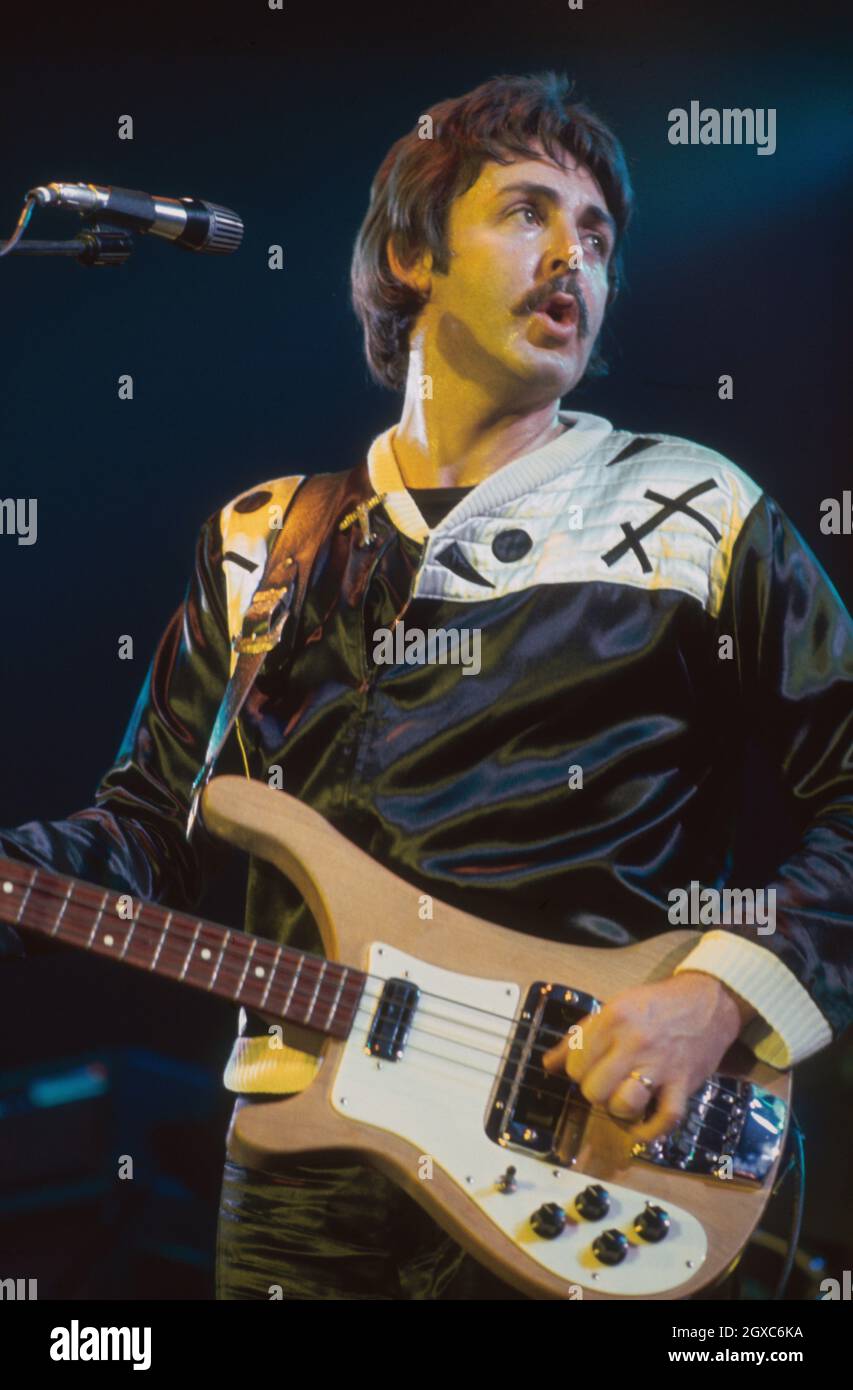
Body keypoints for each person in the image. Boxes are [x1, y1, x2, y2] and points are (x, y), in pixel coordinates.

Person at [1, 71, 851, 1300]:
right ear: (411, 253)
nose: (574, 255)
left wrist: (721, 991)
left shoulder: (695, 511)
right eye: (526, 213)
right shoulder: (263, 538)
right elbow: (148, 838)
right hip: (304, 1173)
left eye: (598, 236)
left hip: (598, 1153)